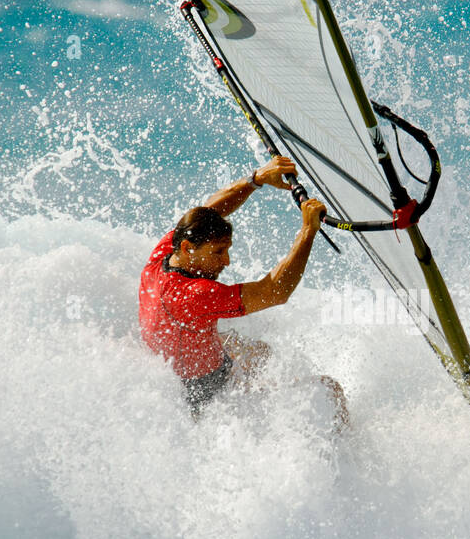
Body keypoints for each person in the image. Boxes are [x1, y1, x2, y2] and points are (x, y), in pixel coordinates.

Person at [139, 155, 348, 425]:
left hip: (177, 364)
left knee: (259, 350)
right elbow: (276, 291)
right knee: (330, 390)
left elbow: (211, 210)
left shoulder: (166, 252)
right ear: (188, 248)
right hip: (209, 393)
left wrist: (256, 179)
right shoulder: (195, 295)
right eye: (218, 252)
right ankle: (350, 457)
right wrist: (308, 230)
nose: (226, 261)